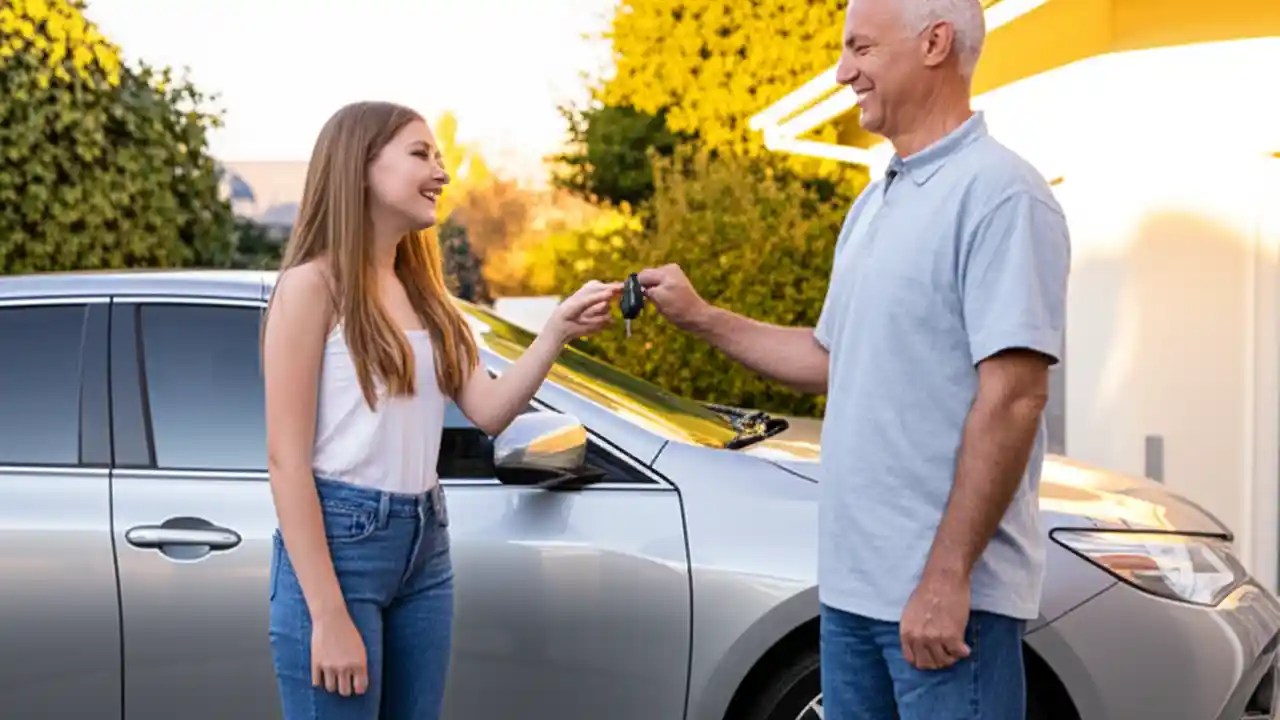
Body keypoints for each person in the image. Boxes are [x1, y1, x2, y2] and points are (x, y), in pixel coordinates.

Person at [637, 0, 1070, 716]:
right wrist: (703, 319)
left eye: (860, 48)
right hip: (851, 598)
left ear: (935, 43)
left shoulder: (1001, 196)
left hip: (944, 612)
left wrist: (945, 577)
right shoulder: (876, 202)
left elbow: (1015, 397)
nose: (843, 73)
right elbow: (829, 358)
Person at [261, 100, 619, 720]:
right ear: (361, 167)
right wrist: (328, 614)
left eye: (439, 157)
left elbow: (490, 410)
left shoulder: (428, 297)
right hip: (340, 547)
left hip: (424, 542)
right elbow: (286, 463)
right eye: (421, 154)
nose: (442, 172)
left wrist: (557, 330)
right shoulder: (310, 288)